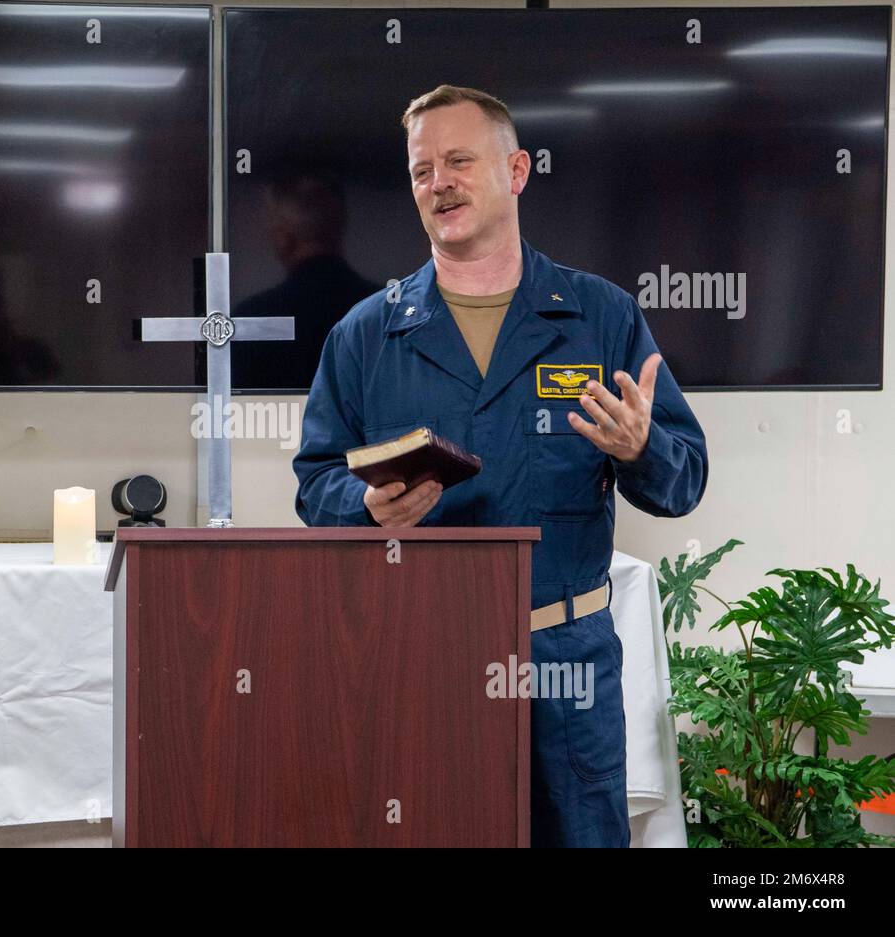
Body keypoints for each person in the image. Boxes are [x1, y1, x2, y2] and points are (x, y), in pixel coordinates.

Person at [292, 84, 709, 847]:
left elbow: (686, 478)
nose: (438, 182)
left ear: (516, 171)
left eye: (458, 160)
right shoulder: (364, 334)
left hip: (563, 667)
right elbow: (315, 480)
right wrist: (364, 505)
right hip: (418, 661)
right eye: (422, 170)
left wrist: (641, 449)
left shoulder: (601, 316)